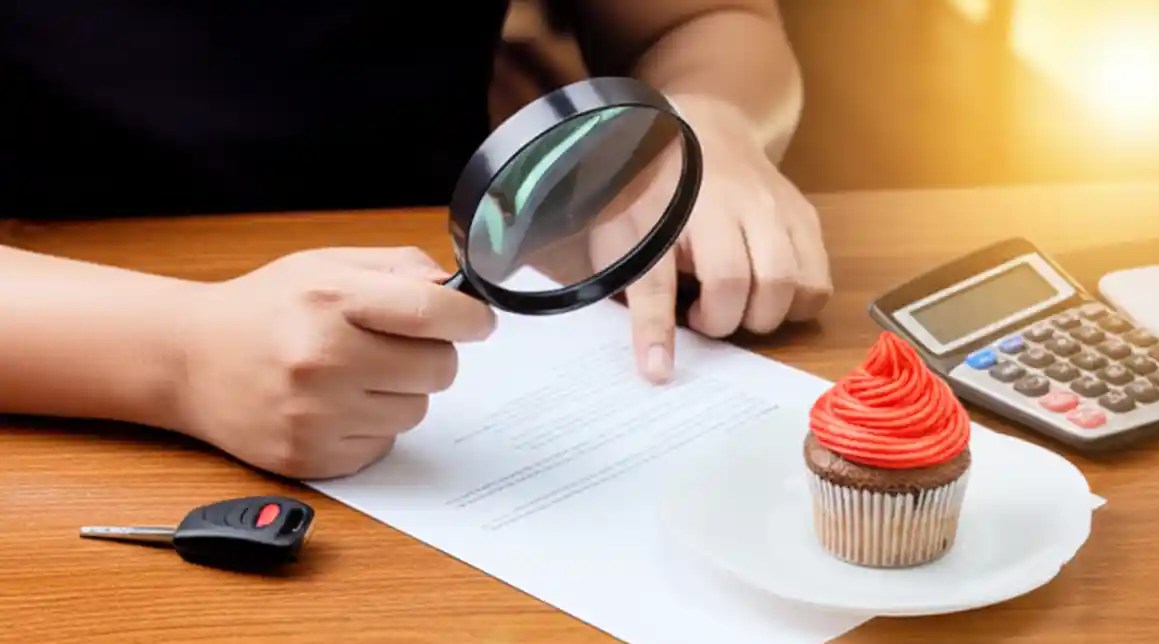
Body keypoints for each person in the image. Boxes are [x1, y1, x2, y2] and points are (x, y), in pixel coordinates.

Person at [0, 0, 831, 479]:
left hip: (437, 344)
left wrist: (710, 123)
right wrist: (179, 355)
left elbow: (703, 17)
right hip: (66, 368)